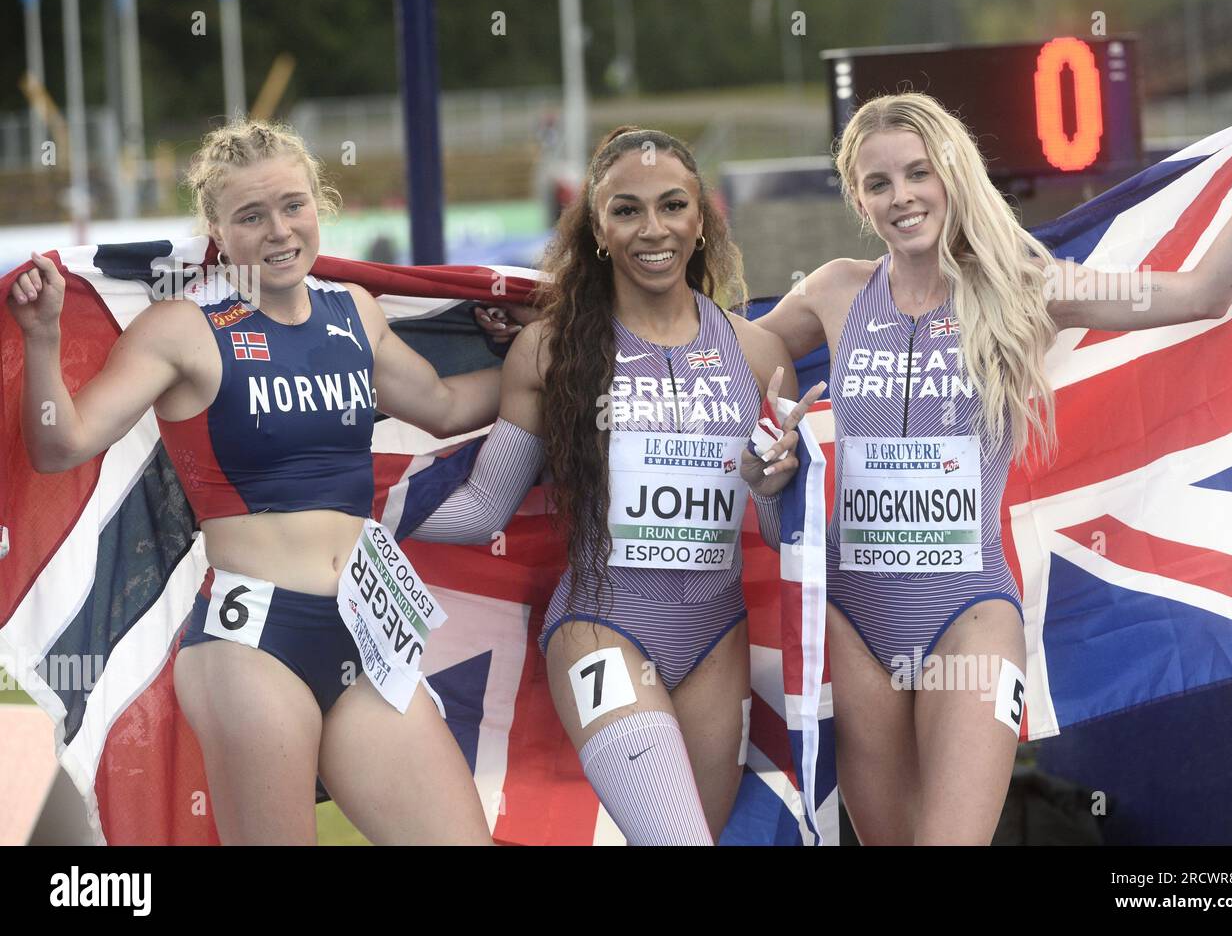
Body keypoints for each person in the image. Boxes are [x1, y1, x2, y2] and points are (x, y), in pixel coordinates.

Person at [757, 88, 1232, 844]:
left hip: (968, 617)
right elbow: (725, 354)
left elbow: (1202, 294)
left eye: (918, 174)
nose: (902, 197)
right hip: (856, 620)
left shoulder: (1023, 286)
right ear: (857, 197)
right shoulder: (832, 290)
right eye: (879, 184)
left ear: (950, 173)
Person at [6, 118, 507, 845]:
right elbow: (62, 446)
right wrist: (45, 338)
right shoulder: (183, 330)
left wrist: (545, 361)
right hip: (251, 643)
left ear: (318, 207)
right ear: (216, 227)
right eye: (251, 215)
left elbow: (445, 407)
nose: (279, 230)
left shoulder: (355, 314)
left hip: (367, 633)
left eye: (293, 206)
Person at [414, 126, 824, 844]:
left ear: (701, 218)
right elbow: (483, 508)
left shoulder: (758, 353)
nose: (653, 229)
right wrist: (352, 513)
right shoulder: (552, 350)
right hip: (602, 629)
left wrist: (769, 481)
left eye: (672, 206)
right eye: (627, 210)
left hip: (715, 639)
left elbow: (764, 515)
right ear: (597, 229)